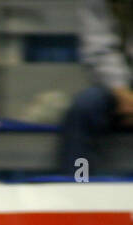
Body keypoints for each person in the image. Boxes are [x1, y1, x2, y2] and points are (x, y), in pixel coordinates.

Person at [57, 0, 133, 175]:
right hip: (119, 85)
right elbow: (98, 47)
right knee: (85, 107)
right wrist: (122, 92)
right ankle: (78, 183)